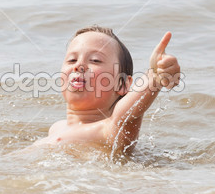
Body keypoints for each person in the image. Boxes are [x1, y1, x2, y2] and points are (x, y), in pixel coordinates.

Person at [34, 26, 181, 156]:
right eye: (72, 60)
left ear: (122, 85)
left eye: (95, 60)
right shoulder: (56, 127)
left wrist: (153, 77)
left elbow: (125, 115)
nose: (78, 65)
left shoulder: (109, 131)